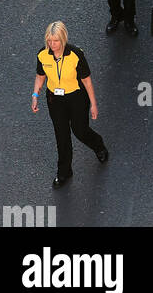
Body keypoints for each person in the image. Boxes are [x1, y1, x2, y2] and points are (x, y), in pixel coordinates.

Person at [32, 21, 108, 188]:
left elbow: (87, 81)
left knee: (80, 131)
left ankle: (98, 145)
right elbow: (40, 76)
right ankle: (64, 171)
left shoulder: (75, 55)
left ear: (63, 39)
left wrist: (93, 104)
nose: (52, 45)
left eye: (56, 41)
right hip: (55, 99)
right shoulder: (42, 55)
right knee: (61, 135)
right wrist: (35, 94)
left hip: (76, 97)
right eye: (50, 41)